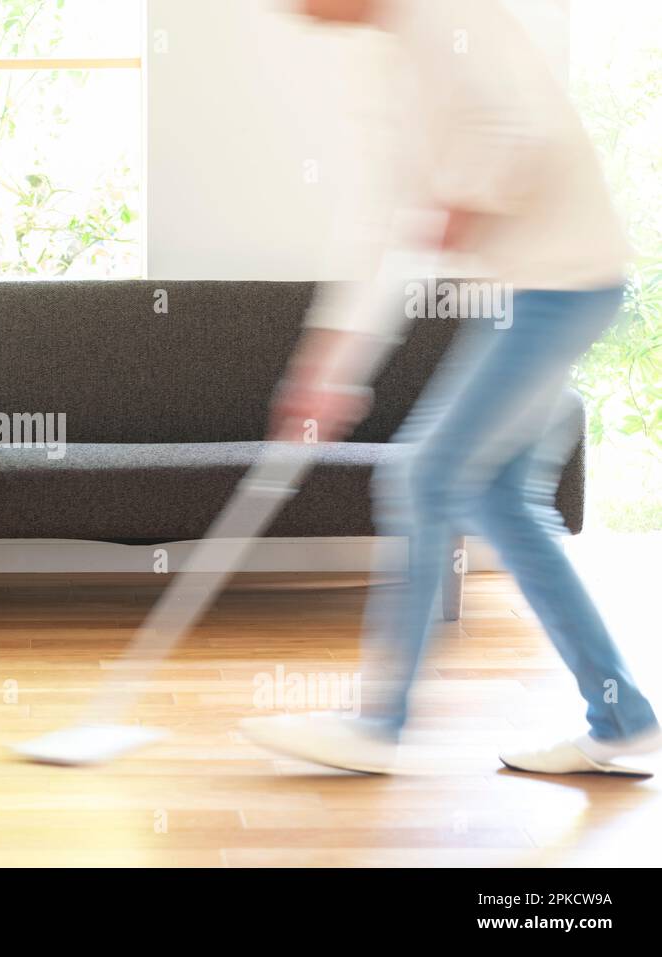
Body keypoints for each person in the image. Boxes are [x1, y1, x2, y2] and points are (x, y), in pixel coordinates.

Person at [241, 0, 662, 775]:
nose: (292, 8)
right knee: (500, 499)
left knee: (422, 473)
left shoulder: (446, 15)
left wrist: (461, 201)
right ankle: (623, 717)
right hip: (530, 287)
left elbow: (523, 131)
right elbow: (379, 223)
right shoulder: (382, 57)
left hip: (559, 282)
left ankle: (379, 724)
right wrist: (326, 366)